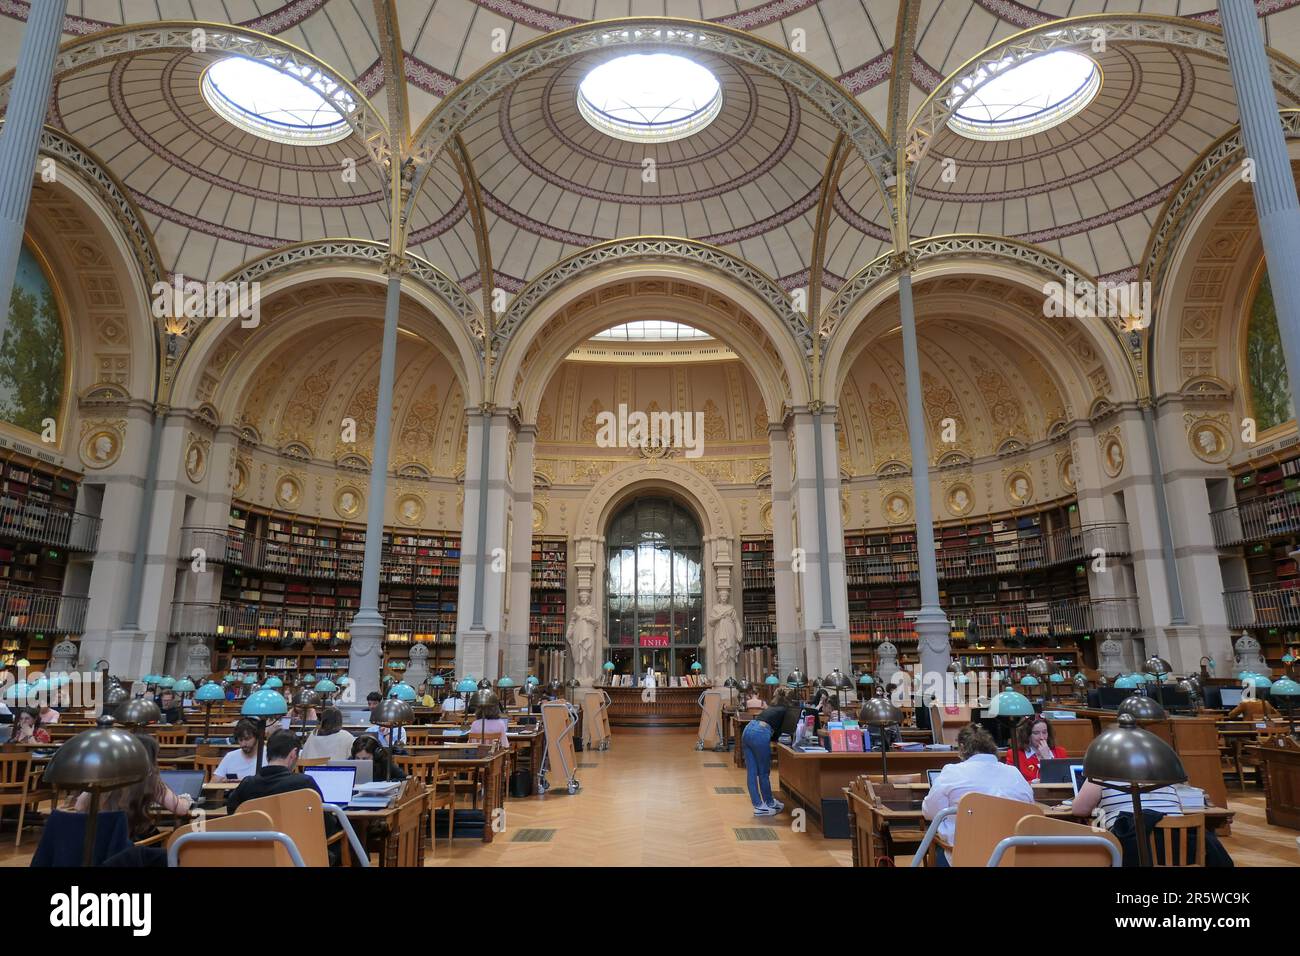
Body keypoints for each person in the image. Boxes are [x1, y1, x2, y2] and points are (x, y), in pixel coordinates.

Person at [922, 723, 1035, 866]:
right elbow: (1030, 810)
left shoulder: (951, 772)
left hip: (964, 857)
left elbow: (929, 812)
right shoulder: (1015, 774)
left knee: (938, 840)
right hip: (1011, 856)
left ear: (962, 748)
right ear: (992, 748)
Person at [1071, 775, 1234, 867]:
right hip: (1182, 849)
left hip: (1134, 849)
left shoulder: (1101, 774)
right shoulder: (1164, 775)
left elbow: (1079, 810)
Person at [76, 732, 195, 840]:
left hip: (97, 840)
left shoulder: (105, 774)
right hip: (129, 843)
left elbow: (79, 805)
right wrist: (186, 799)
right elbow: (181, 809)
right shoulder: (148, 780)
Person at [227, 730, 323, 813]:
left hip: (259, 834)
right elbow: (326, 822)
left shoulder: (247, 784)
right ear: (293, 754)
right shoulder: (305, 784)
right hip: (298, 834)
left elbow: (232, 815)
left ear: (267, 753)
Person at [741, 686, 800, 816]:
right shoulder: (786, 710)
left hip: (748, 729)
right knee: (763, 771)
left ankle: (759, 805)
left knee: (752, 771)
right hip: (760, 733)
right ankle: (769, 802)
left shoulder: (772, 707)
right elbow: (784, 730)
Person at [1006, 715, 1068, 782]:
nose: (1042, 737)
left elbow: (1064, 781)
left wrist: (1047, 758)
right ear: (1026, 735)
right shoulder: (1014, 755)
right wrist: (1032, 784)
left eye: (1044, 732)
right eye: (1036, 733)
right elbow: (1012, 783)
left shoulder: (1060, 752)